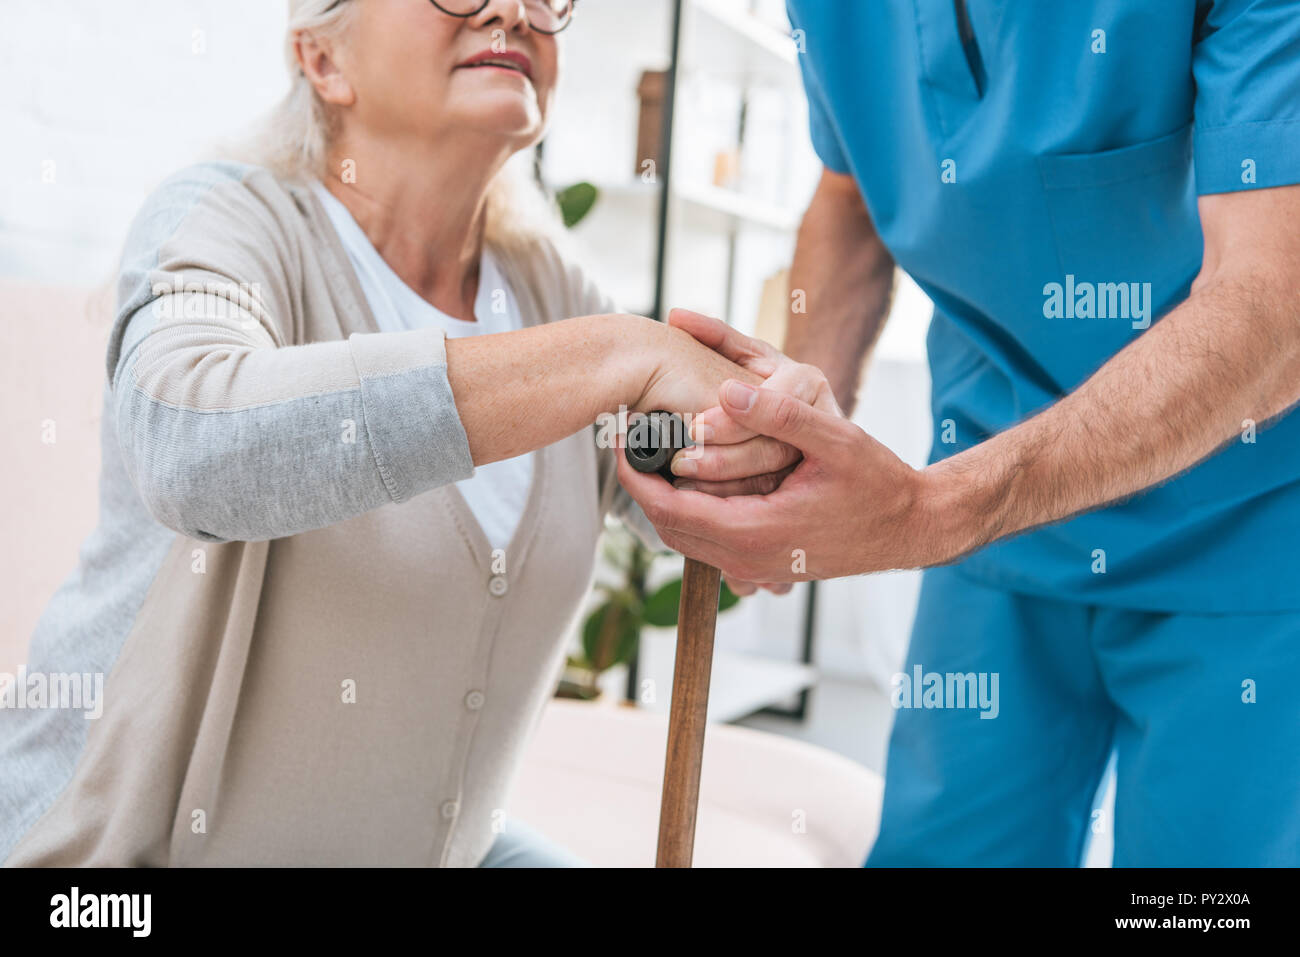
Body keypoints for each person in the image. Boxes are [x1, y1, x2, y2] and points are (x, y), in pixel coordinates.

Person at [0, 0, 816, 868]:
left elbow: (689, 499)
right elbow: (191, 448)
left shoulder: (552, 291)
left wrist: (754, 448)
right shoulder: (220, 223)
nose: (510, 9)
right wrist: (616, 352)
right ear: (323, 61)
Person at [617, 0, 1300, 866]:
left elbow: (1275, 304)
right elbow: (850, 196)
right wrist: (785, 434)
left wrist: (928, 512)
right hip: (997, 525)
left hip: (1247, 529)